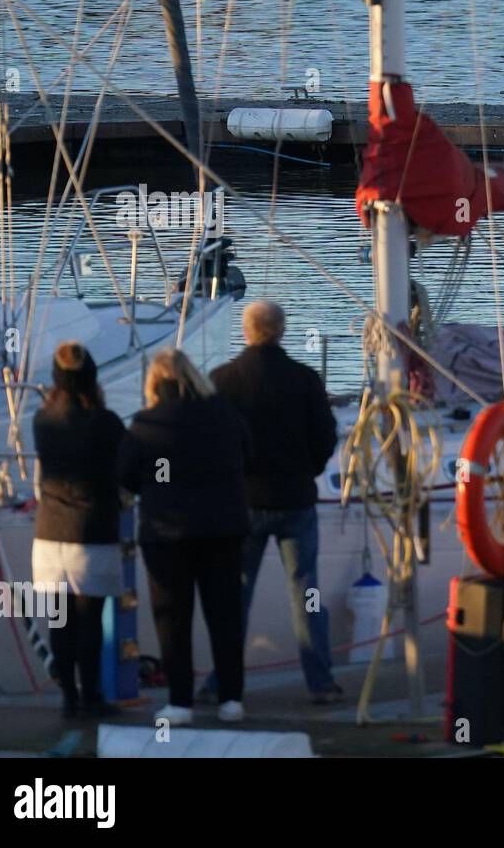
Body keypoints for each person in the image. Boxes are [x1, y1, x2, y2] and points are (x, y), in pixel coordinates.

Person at [206, 300, 341, 704]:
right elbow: (325, 436)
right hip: (295, 498)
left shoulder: (222, 379)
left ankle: (221, 684)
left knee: (236, 596)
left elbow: (213, 443)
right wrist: (308, 471)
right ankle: (320, 682)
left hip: (242, 502)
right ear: (281, 331)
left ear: (246, 331)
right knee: (306, 594)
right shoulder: (305, 379)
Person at [118, 348, 250, 725]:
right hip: (223, 529)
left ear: (154, 383)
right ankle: (232, 699)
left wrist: (156, 480)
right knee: (224, 616)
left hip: (167, 532)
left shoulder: (146, 423)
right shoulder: (225, 415)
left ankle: (180, 701)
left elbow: (125, 474)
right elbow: (248, 455)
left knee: (173, 619)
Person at [32, 342, 126, 719]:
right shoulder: (106, 423)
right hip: (93, 531)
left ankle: (68, 697)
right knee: (90, 623)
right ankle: (93, 696)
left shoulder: (42, 421)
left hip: (49, 531)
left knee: (61, 622)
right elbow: (124, 470)